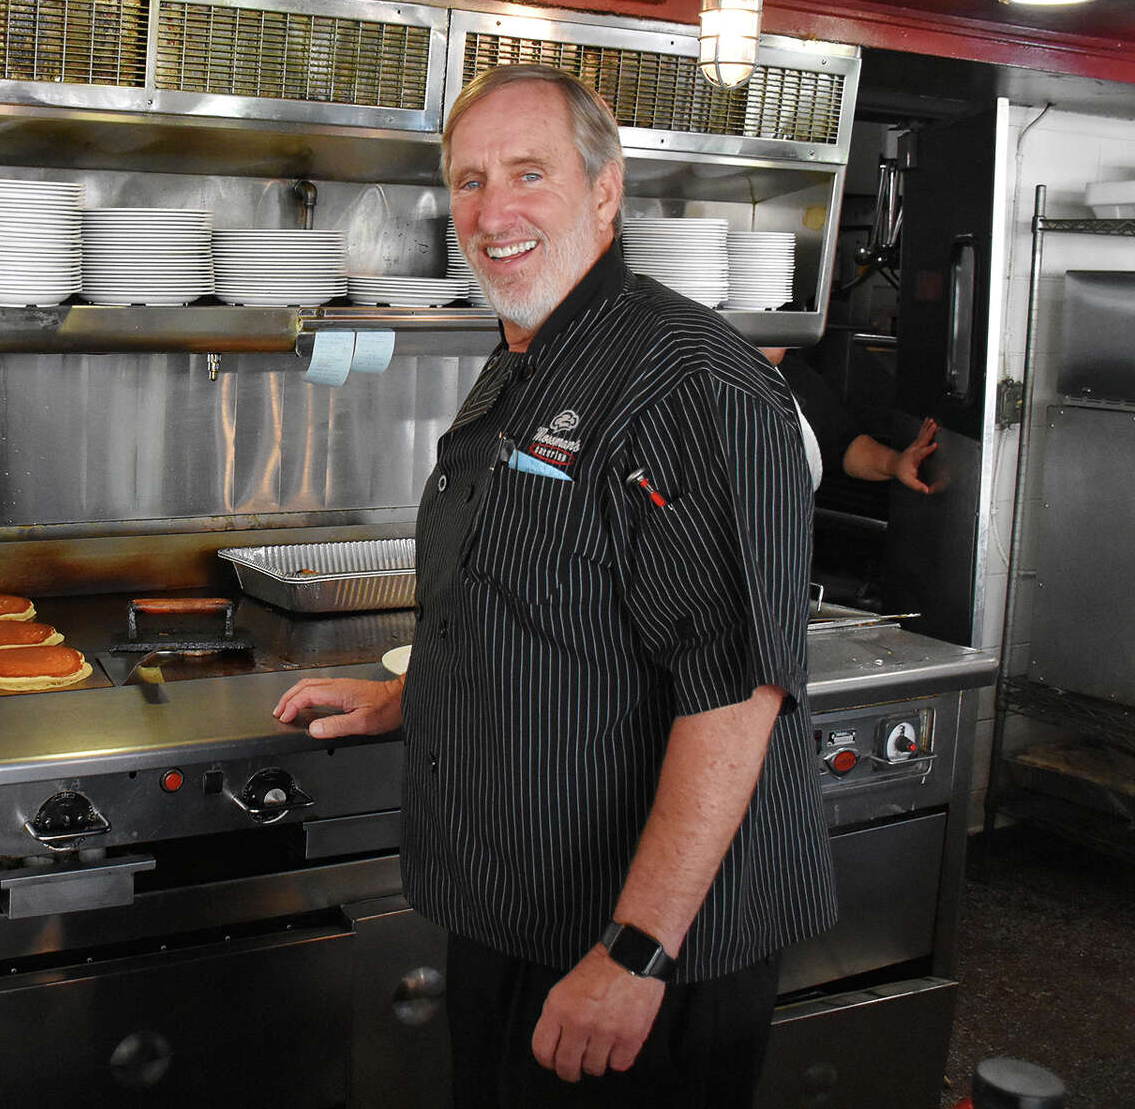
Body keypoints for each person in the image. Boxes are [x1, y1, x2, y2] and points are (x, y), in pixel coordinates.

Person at [274, 64, 837, 1108]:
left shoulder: (686, 383)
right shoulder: (528, 355)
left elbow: (734, 692)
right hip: (516, 906)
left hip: (640, 941)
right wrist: (408, 696)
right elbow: (536, 598)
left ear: (606, 190)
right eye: (471, 180)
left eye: (529, 173)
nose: (494, 211)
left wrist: (633, 956)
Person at [760, 346, 939, 494]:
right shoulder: (732, 384)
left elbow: (844, 446)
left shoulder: (799, 378)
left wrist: (894, 463)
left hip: (783, 528)